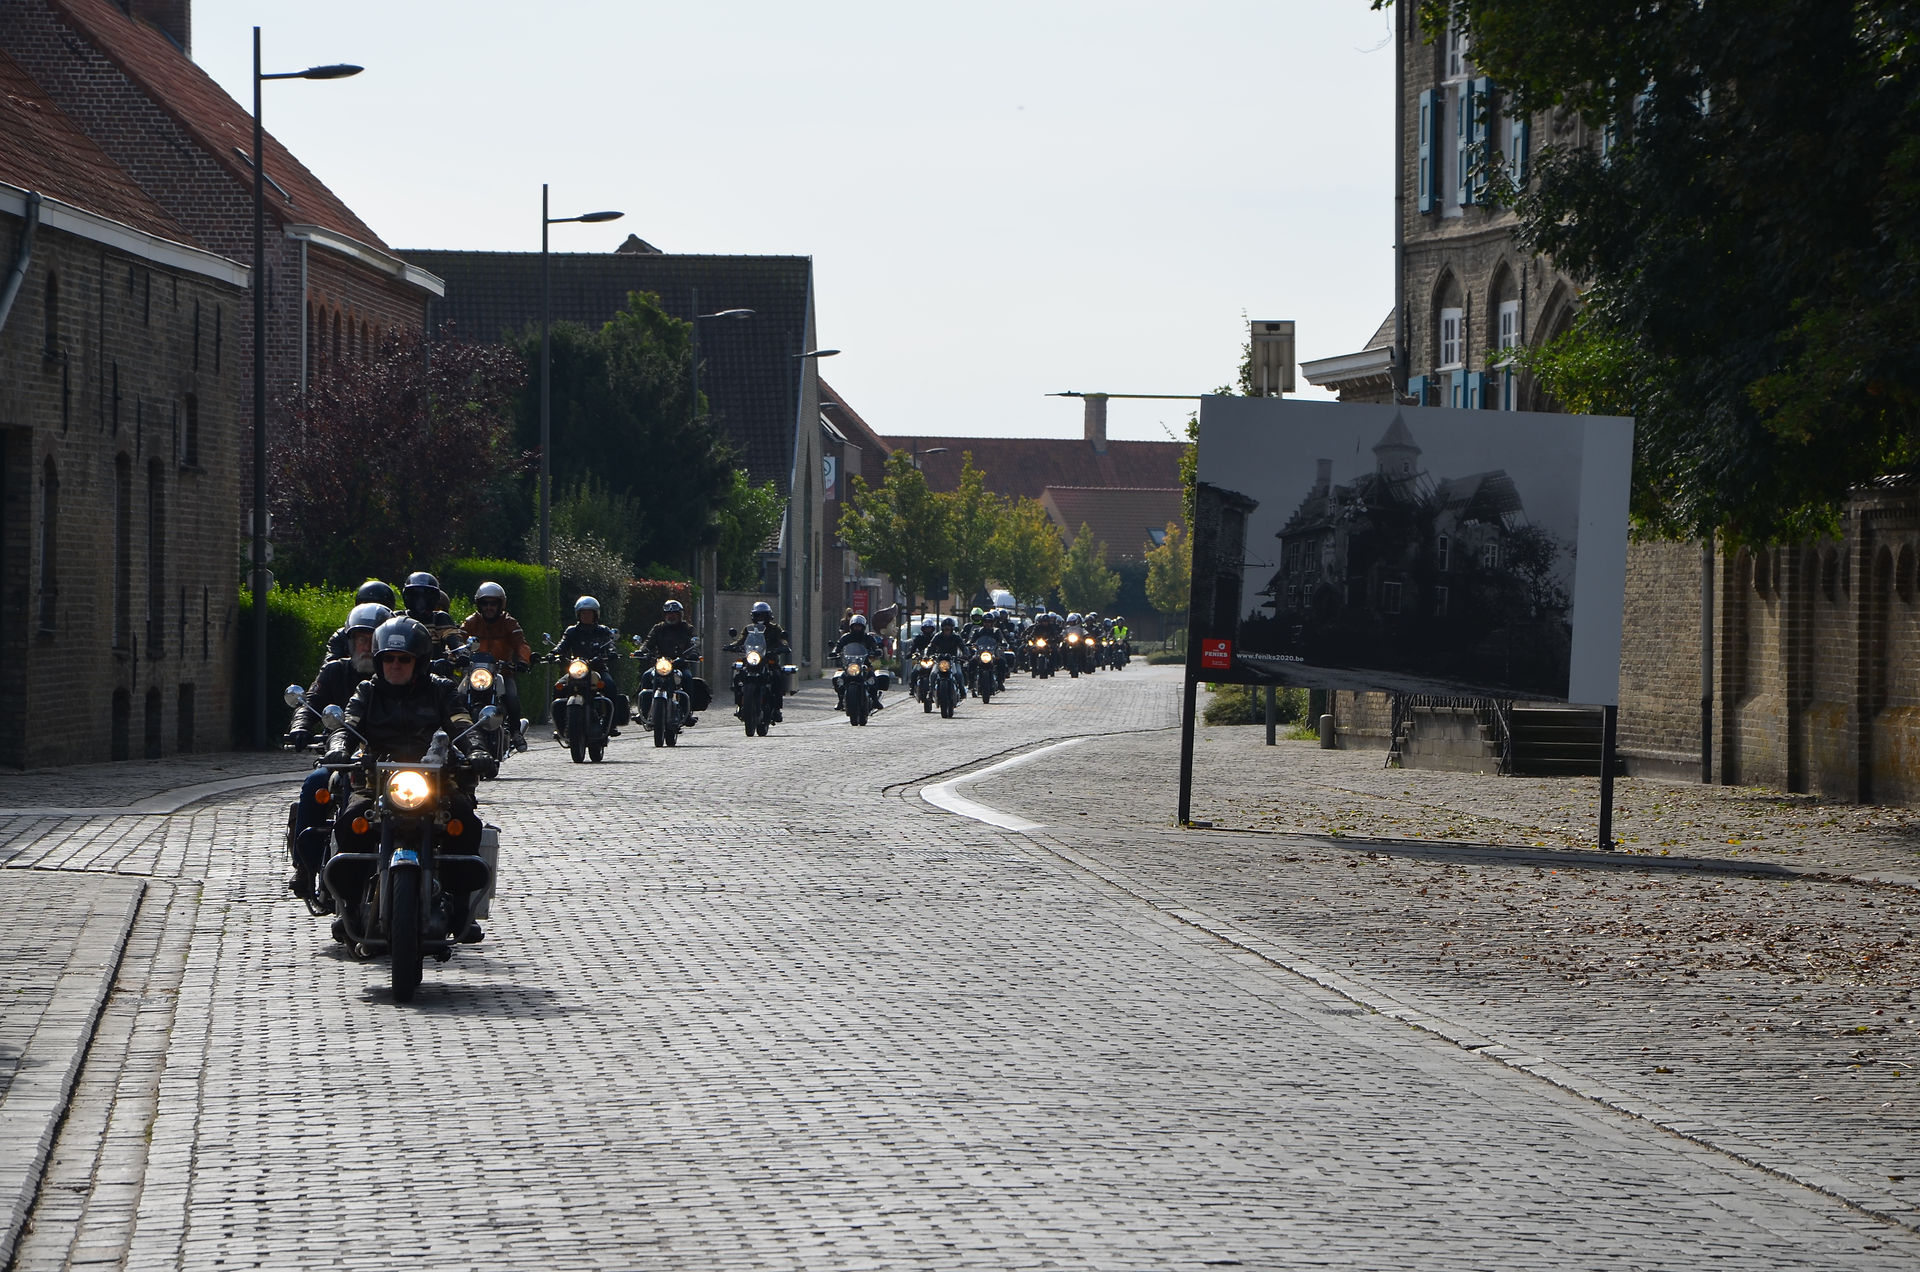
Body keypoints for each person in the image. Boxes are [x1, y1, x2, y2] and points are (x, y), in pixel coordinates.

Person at [327, 616, 488, 941]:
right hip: (377, 783)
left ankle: (460, 906)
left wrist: (478, 751)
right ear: (378, 660)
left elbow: (461, 722)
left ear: (419, 662)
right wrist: (338, 748)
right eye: (388, 658)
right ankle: (351, 903)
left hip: (436, 780)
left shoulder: (440, 689)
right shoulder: (367, 690)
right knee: (350, 823)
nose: (395, 665)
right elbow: (349, 724)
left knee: (464, 823)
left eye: (404, 659)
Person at [284, 601, 390, 903]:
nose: (366, 646)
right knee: (316, 784)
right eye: (360, 639)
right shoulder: (334, 671)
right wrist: (301, 726)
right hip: (341, 756)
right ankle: (306, 867)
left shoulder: (398, 672)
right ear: (350, 641)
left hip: (388, 761)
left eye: (372, 639)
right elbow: (313, 701)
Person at [460, 581, 532, 752]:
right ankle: (455, 733)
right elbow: (458, 640)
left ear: (501, 604)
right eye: (485, 603)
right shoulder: (471, 622)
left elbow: (521, 644)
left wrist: (523, 660)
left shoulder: (509, 623)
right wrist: (454, 654)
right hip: (476, 673)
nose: (489, 607)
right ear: (479, 604)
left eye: (493, 603)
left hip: (502, 672)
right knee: (458, 697)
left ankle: (515, 732)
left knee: (512, 698)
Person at [552, 596, 627, 738]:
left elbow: (610, 644)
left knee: (610, 686)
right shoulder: (572, 631)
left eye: (589, 613)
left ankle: (611, 724)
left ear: (595, 615)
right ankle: (560, 726)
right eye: (583, 613)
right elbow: (562, 645)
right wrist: (553, 653)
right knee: (558, 687)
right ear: (578, 615)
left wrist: (611, 653)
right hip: (577, 670)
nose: (586, 616)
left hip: (598, 669)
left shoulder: (603, 631)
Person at [723, 600, 790, 723]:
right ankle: (740, 704)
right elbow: (741, 640)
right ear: (753, 616)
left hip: (769, 659)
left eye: (763, 615)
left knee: (777, 676)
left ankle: (776, 709)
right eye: (758, 615)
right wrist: (731, 646)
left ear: (768, 616)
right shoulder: (749, 629)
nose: (761, 618)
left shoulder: (775, 628)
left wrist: (783, 647)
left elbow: (782, 640)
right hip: (752, 658)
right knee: (738, 675)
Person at [637, 598, 701, 727]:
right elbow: (648, 641)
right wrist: (642, 650)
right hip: (661, 664)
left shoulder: (687, 629)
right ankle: (643, 712)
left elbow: (694, 645)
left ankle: (687, 713)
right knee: (646, 677)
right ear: (665, 615)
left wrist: (691, 655)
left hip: (680, 665)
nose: (671, 616)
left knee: (688, 678)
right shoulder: (658, 628)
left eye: (675, 613)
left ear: (680, 615)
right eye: (669, 614)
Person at [320, 579, 398, 661]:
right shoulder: (343, 635)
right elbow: (331, 664)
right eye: (361, 639)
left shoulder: (394, 636)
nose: (367, 647)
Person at [400, 570, 460, 664]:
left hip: (436, 673)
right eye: (415, 595)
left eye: (426, 596)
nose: (420, 601)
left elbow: (454, 641)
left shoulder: (440, 619)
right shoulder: (398, 618)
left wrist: (462, 654)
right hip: (403, 669)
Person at [830, 612, 884, 711]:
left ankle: (875, 700)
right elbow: (838, 646)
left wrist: (876, 651)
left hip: (864, 663)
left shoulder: (868, 638)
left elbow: (874, 646)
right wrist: (834, 652)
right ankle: (841, 700)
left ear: (863, 627)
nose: (857, 629)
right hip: (849, 663)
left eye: (859, 627)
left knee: (872, 679)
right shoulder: (846, 637)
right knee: (838, 679)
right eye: (855, 626)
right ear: (851, 626)